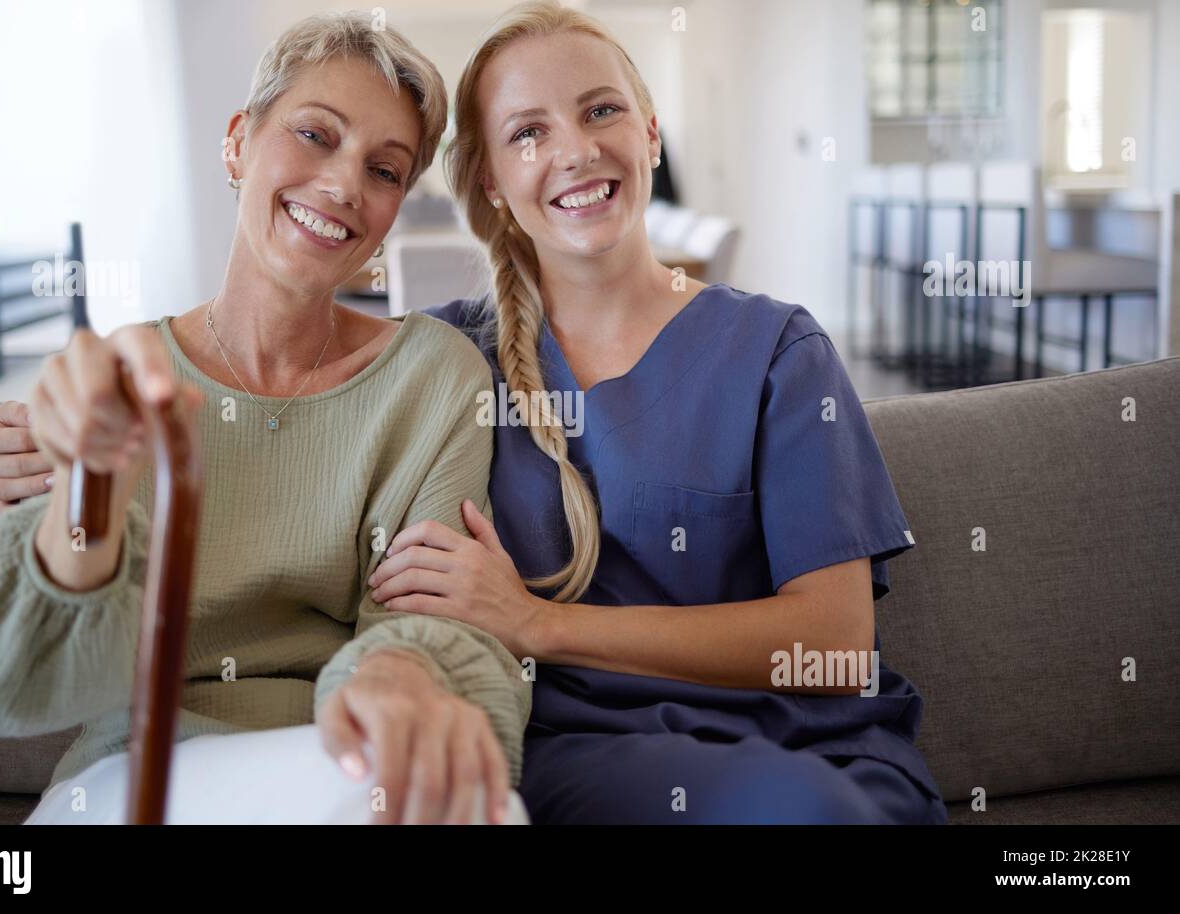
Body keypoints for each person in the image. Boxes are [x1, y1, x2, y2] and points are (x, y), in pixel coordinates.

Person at [368, 0, 950, 824]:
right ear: (491, 182)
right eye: (528, 132)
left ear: (649, 136)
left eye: (601, 110)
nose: (575, 150)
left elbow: (831, 645)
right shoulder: (446, 360)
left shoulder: (778, 349)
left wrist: (540, 624)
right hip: (597, 756)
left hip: (827, 751)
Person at [0, 12, 529, 826]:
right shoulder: (121, 377)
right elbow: (7, 687)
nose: (342, 185)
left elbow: (421, 623)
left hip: (335, 756)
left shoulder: (433, 379)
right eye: (314, 133)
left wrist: (404, 681)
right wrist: (90, 495)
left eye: (385, 170)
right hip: (135, 768)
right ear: (237, 142)